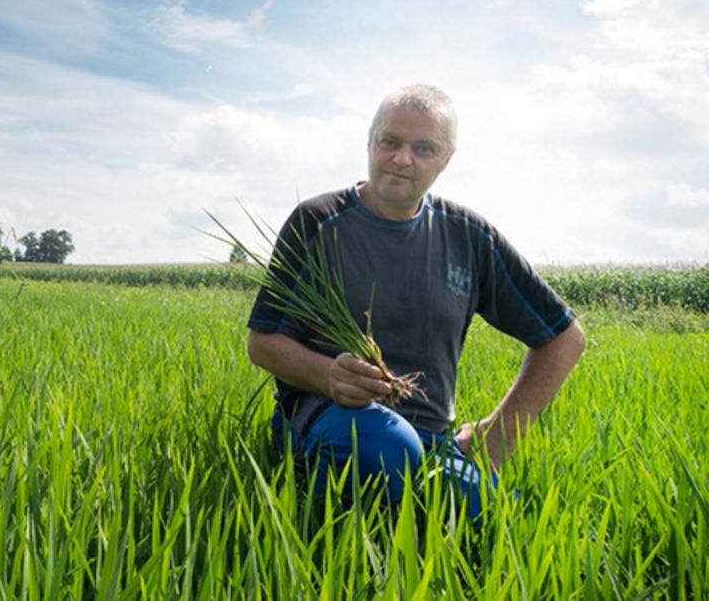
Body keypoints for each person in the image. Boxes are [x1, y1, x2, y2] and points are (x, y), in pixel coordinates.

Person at [247, 84, 586, 518]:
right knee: (387, 450)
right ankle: (332, 524)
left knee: (496, 516)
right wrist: (328, 375)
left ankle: (429, 503)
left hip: (432, 436)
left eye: (423, 148)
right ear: (370, 140)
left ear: (447, 157)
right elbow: (263, 342)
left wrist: (500, 432)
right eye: (390, 141)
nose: (402, 158)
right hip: (327, 416)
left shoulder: (468, 235)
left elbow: (563, 338)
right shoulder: (319, 221)